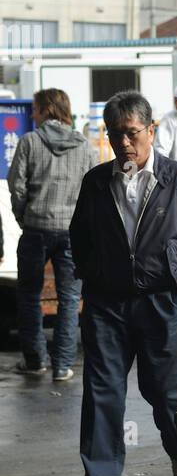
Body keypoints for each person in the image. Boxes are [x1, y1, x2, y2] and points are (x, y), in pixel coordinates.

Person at [68, 91, 177, 476]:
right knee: (102, 391)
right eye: (116, 136)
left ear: (152, 130)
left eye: (132, 134)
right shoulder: (96, 182)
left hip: (160, 300)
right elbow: (80, 237)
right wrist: (93, 276)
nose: (125, 144)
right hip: (107, 304)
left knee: (168, 391)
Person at [7, 88, 98, 381]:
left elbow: (17, 185)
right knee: (70, 299)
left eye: (35, 108)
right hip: (71, 232)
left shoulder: (30, 142)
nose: (32, 114)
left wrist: (24, 216)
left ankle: (35, 361)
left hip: (35, 228)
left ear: (47, 109)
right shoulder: (85, 147)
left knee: (30, 296)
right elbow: (95, 191)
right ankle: (62, 366)